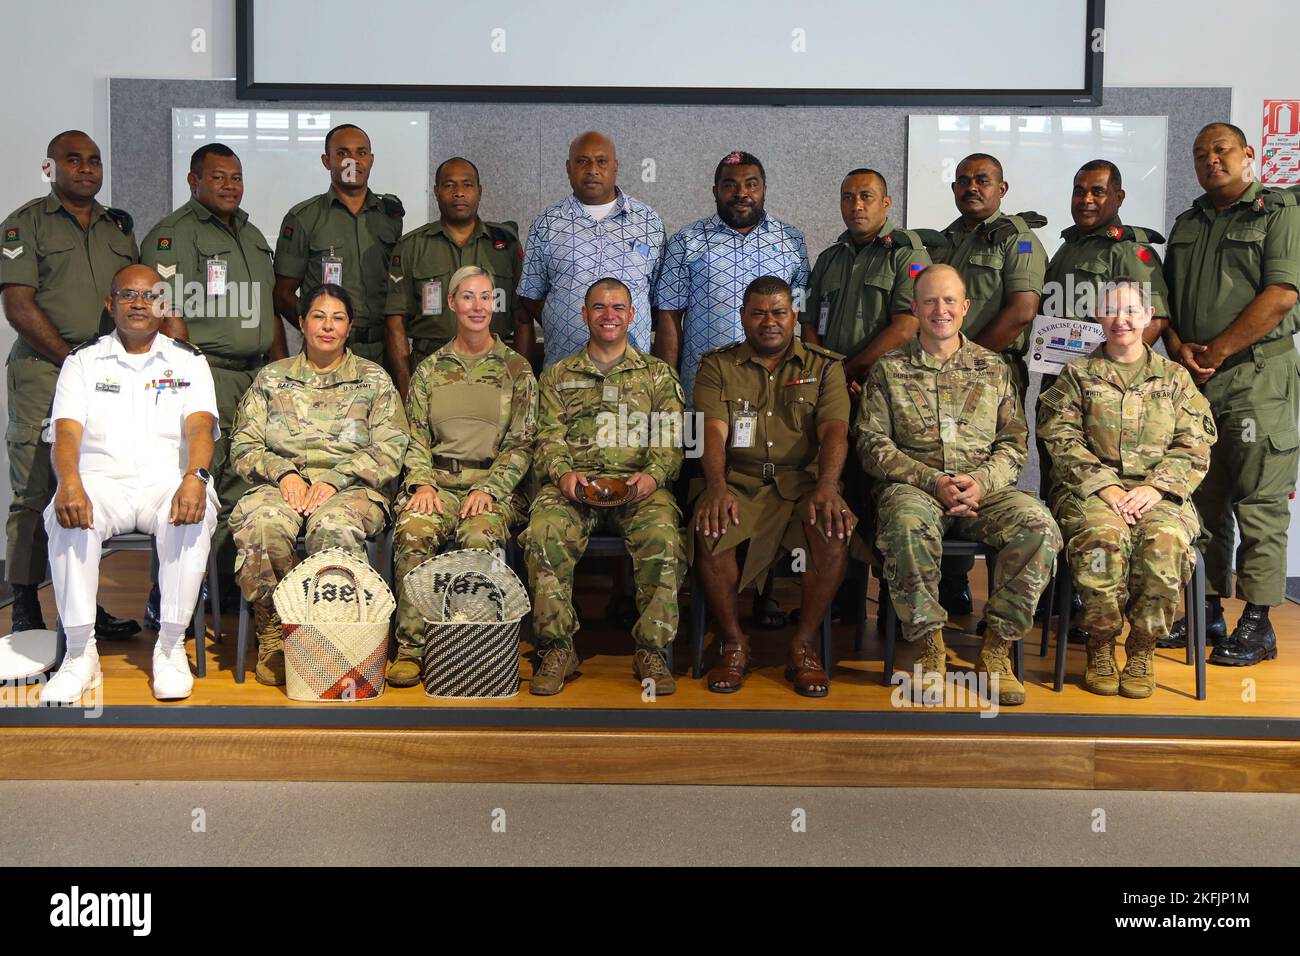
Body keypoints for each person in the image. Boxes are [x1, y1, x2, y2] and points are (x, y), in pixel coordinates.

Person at [854, 265, 1061, 706]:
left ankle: (997, 650)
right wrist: (933, 480)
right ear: (915, 307)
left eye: (949, 301)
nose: (940, 310)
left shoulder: (995, 368)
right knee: (904, 521)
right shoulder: (889, 370)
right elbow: (872, 445)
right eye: (930, 300)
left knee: (1038, 527)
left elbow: (1013, 443)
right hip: (916, 487)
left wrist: (981, 483)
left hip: (984, 490)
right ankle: (929, 649)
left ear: (965, 308)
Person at [41, 265, 219, 703]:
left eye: (150, 295)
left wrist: (195, 478)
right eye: (128, 295)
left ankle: (171, 647)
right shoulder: (82, 362)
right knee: (67, 514)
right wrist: (69, 482)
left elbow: (200, 428)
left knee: (190, 515)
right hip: (101, 482)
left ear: (164, 306)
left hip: (167, 482)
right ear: (110, 303)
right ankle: (80, 655)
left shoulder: (188, 361)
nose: (140, 303)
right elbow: (66, 433)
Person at [1163, 122, 1300, 665]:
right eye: (1200, 154)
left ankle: (1259, 622)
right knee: (1202, 501)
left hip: (1255, 379)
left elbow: (1282, 294)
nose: (1210, 160)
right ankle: (1207, 610)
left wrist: (1216, 351)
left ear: (1247, 154)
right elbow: (1166, 298)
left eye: (1221, 151)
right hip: (1195, 381)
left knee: (1260, 501)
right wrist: (1177, 347)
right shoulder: (1188, 221)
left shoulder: (1280, 212)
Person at [1038, 279, 1214, 697]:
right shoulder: (1077, 374)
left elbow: (1196, 442)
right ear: (1098, 317)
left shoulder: (1174, 378)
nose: (1122, 320)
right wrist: (1106, 488)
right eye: (1112, 311)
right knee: (1103, 538)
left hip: (1160, 495)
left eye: (1131, 311)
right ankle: (1101, 644)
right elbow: (1059, 438)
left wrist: (1157, 488)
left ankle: (1141, 647)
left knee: (1165, 541)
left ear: (1148, 316)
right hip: (1092, 493)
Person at [228, 285, 408, 685]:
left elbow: (392, 448)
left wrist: (336, 478)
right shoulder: (273, 379)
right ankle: (276, 633)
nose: (328, 326)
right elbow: (242, 444)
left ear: (349, 328)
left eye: (338, 318)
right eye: (319, 316)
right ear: (301, 323)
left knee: (332, 528)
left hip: (352, 489)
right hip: (283, 487)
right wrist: (284, 473)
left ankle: (337, 636)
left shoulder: (372, 380)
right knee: (262, 522)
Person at [0, 130, 142, 640]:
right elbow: (18, 306)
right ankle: (23, 605)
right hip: (44, 370)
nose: (86, 169)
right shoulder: (25, 224)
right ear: (51, 167)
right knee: (38, 488)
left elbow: (133, 296)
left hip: (105, 374)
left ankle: (85, 604)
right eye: (74, 160)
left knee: (91, 486)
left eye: (94, 161)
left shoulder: (117, 228)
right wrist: (73, 359)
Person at [141, 143, 286, 623]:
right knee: (201, 480)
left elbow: (268, 308)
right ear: (193, 181)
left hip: (257, 374)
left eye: (236, 178)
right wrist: (189, 376)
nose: (230, 186)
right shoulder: (173, 234)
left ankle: (224, 585)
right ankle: (171, 595)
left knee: (245, 479)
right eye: (219, 177)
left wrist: (281, 371)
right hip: (208, 371)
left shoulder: (250, 232)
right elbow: (165, 310)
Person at [692, 276, 855, 697]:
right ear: (743, 317)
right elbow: (712, 429)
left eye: (779, 312)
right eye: (759, 313)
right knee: (711, 529)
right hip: (740, 483)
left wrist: (828, 486)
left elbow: (835, 430)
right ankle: (733, 641)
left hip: (802, 485)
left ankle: (803, 643)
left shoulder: (825, 367)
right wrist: (715, 486)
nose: (769, 321)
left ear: (794, 315)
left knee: (832, 532)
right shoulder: (717, 365)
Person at [521, 277, 684, 697]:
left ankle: (652, 649)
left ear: (632, 316)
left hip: (638, 487)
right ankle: (557, 648)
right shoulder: (557, 374)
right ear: (584, 315)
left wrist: (652, 476)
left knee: (664, 536)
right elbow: (547, 438)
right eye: (599, 307)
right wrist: (562, 475)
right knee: (543, 531)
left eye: (617, 308)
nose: (608, 315)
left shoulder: (657, 376)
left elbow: (670, 438)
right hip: (576, 486)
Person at [388, 266, 537, 687]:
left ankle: (474, 645)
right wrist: (420, 482)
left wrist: (491, 488)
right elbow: (413, 434)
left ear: (495, 304)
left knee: (478, 539)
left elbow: (522, 442)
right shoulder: (430, 369)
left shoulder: (516, 369)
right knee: (413, 530)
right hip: (436, 484)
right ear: (452, 303)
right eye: (468, 297)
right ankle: (412, 648)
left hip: (490, 488)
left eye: (486, 297)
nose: (478, 306)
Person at [930, 153, 1048, 617]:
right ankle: (952, 584)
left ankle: (1002, 602)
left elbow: (1021, 310)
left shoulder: (1016, 240)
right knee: (942, 466)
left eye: (982, 180)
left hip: (991, 377)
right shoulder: (948, 240)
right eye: (963, 181)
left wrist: (965, 359)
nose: (971, 187)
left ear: (1003, 188)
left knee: (986, 480)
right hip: (938, 379)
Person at [654, 150, 810, 406]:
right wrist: (664, 388)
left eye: (751, 184)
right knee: (704, 446)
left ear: (764, 189)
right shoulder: (687, 241)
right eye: (730, 185)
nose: (741, 193)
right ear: (715, 191)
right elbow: (669, 316)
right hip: (704, 385)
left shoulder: (791, 240)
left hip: (775, 390)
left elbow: (799, 312)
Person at [517, 132, 665, 369]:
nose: (592, 169)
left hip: (634, 376)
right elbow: (531, 296)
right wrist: (566, 320)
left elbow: (658, 299)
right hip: (563, 373)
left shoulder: (648, 221)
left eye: (601, 161)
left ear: (615, 166)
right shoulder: (547, 222)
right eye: (582, 161)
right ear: (568, 167)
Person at [385, 157, 521, 397]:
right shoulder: (411, 247)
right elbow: (396, 321)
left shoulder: (505, 245)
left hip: (495, 369)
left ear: (479, 191)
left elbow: (522, 317)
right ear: (436, 191)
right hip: (430, 369)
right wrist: (406, 383)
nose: (459, 193)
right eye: (449, 185)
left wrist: (521, 374)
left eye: (467, 185)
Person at [274, 123, 404, 368]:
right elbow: (282, 293)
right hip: (325, 353)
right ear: (327, 161)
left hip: (382, 351)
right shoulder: (304, 217)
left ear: (371, 160)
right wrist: (319, 328)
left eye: (361, 152)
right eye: (342, 153)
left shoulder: (390, 217)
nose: (352, 160)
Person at [802, 168, 930, 393]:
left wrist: (847, 372)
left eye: (866, 196)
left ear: (886, 202)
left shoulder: (907, 254)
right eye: (848, 197)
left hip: (886, 386)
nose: (856, 205)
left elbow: (906, 327)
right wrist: (824, 374)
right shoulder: (828, 259)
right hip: (830, 387)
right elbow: (809, 323)